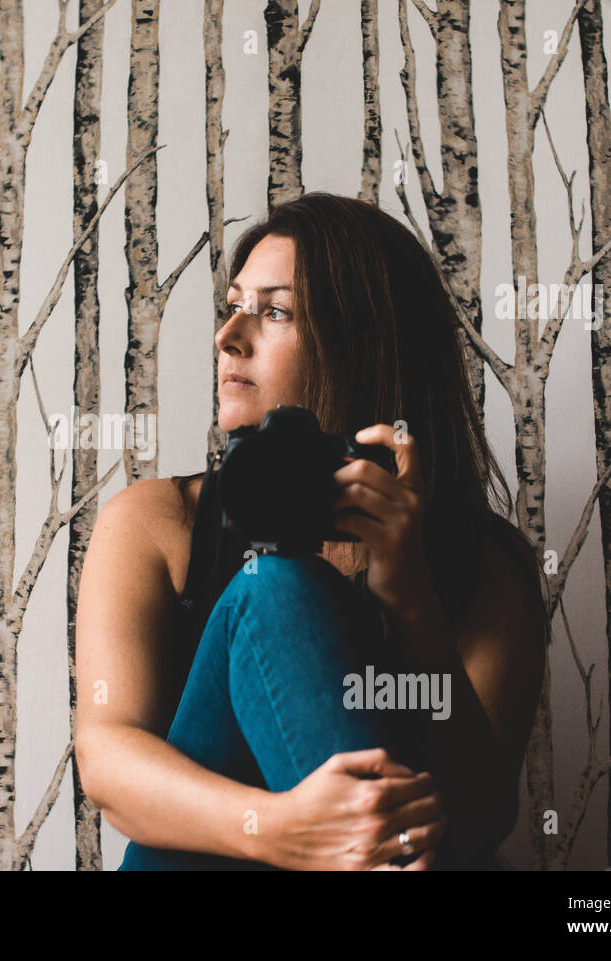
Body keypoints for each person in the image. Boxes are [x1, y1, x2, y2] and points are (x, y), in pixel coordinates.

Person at [74, 192, 549, 870]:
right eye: (233, 305)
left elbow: (478, 819)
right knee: (274, 584)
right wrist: (281, 826)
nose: (228, 335)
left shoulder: (485, 564)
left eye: (273, 311)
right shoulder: (155, 523)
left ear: (360, 345)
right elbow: (108, 765)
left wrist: (411, 598)